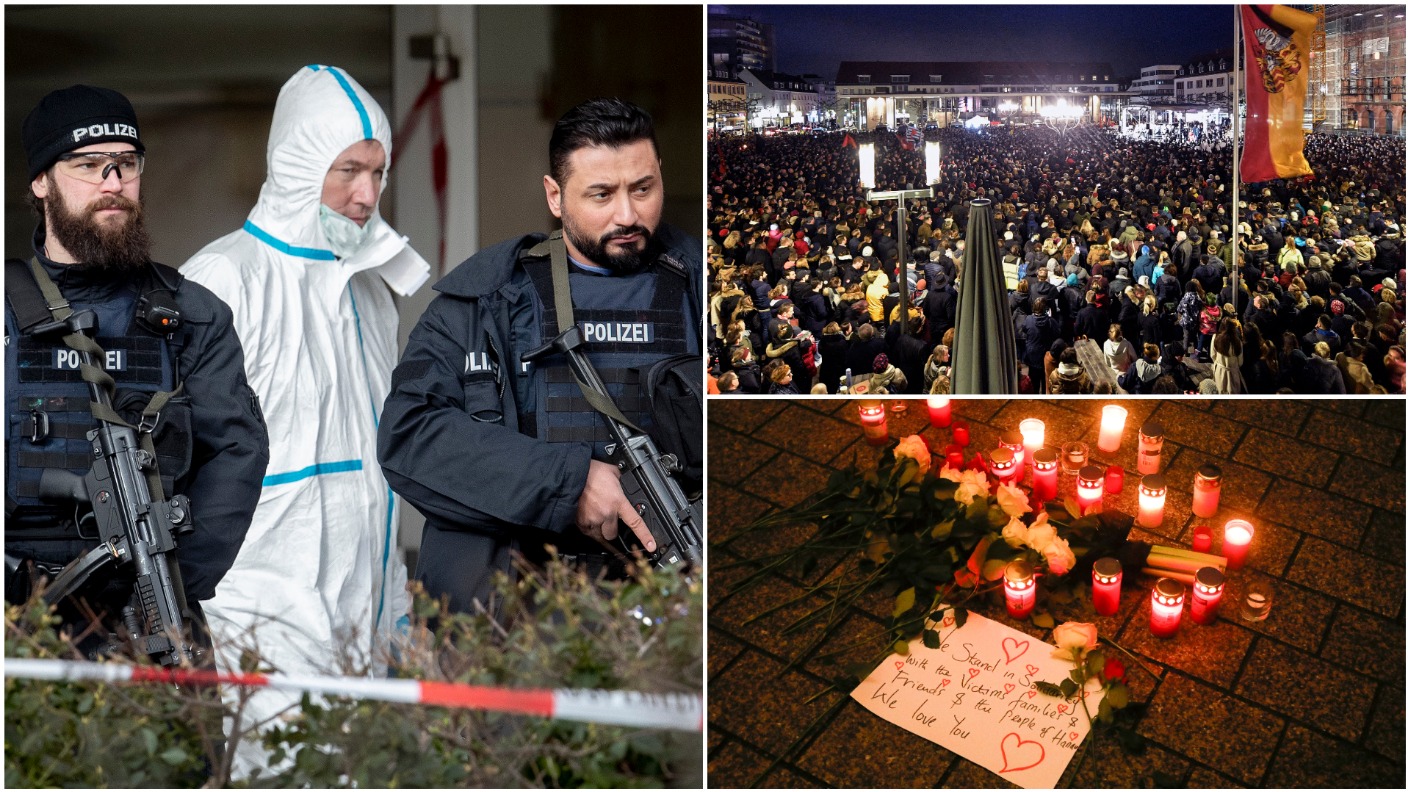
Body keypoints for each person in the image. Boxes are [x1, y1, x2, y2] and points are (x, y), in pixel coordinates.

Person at [180, 66, 429, 777]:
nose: (367, 195)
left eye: (378, 172)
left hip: (368, 608)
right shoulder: (223, 281)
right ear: (296, 163)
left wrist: (396, 609)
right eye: (348, 169)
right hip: (260, 612)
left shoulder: (372, 289)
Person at [378, 98, 701, 613]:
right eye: (601, 194)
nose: (627, 214)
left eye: (643, 188)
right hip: (516, 617)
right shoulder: (485, 302)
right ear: (555, 197)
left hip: (671, 609)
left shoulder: (702, 288)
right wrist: (570, 484)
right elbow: (409, 436)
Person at [5, 86, 269, 649]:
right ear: (40, 182)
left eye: (125, 164)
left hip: (148, 613)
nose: (112, 181)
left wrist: (169, 587)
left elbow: (237, 455)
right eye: (88, 165)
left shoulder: (190, 314)